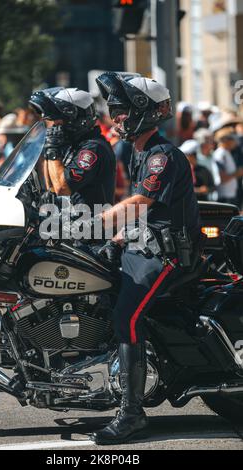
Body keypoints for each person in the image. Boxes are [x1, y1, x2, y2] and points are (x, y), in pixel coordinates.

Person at [89, 72, 201, 445]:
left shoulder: (162, 157)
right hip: (142, 246)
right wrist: (115, 237)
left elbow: (141, 204)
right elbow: (142, 215)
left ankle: (132, 414)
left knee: (127, 317)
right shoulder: (140, 153)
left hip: (165, 254)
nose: (115, 117)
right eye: (114, 110)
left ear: (143, 112)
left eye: (120, 110)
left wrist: (88, 225)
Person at [29, 87, 116, 210]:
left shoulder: (93, 148)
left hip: (93, 225)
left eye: (57, 123)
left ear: (74, 120)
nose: (54, 127)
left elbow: (62, 188)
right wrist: (49, 150)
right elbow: (52, 187)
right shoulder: (73, 145)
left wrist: (53, 150)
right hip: (71, 222)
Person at [213, 127, 243, 205]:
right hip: (224, 198)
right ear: (226, 140)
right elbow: (221, 178)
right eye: (233, 139)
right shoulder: (220, 154)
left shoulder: (226, 153)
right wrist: (237, 173)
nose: (235, 142)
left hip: (230, 196)